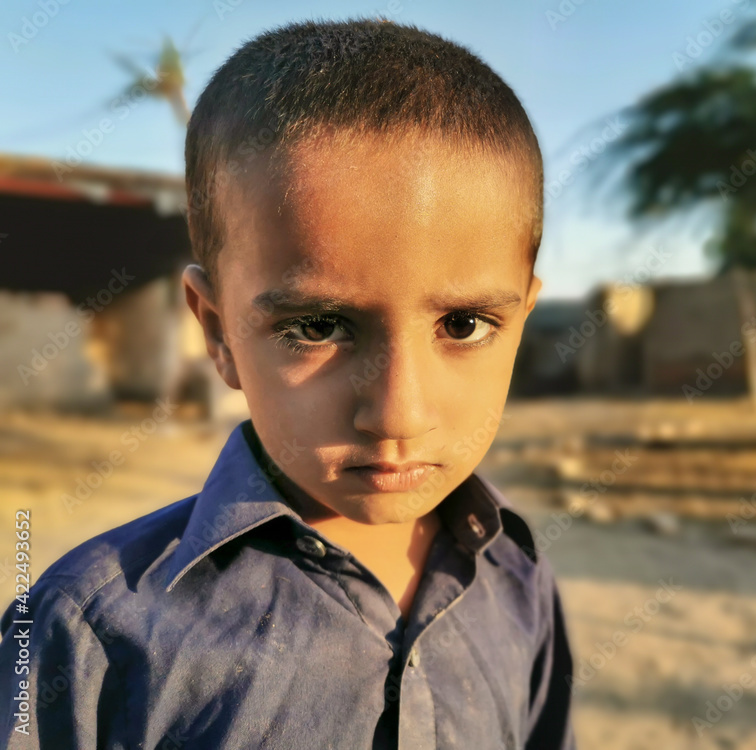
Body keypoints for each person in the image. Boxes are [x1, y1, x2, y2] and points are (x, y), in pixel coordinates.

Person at [0, 18, 575, 749]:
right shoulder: (90, 631)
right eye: (318, 327)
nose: (398, 411)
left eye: (463, 325)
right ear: (217, 332)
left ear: (523, 315)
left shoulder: (517, 581)